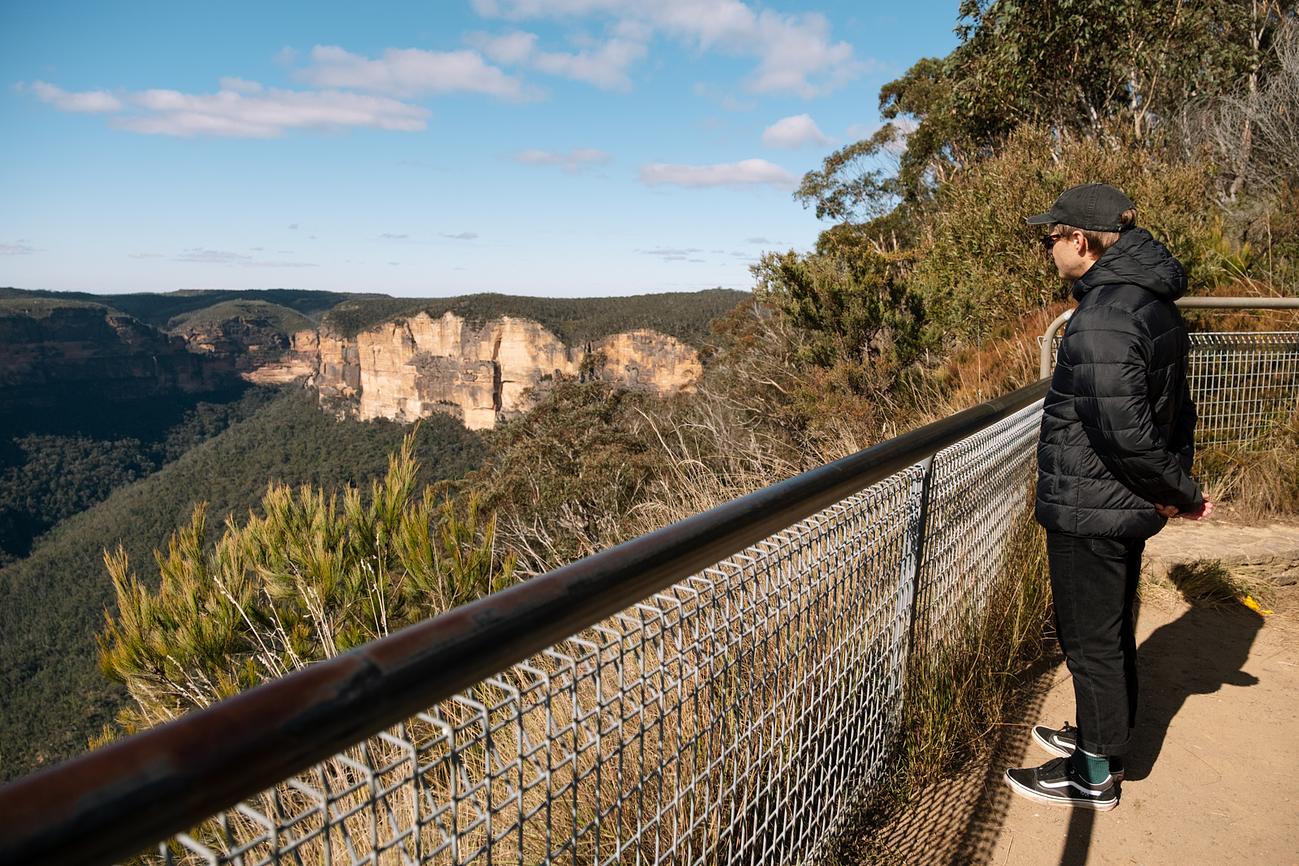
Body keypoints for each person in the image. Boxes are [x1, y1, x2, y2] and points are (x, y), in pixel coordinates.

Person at [1005, 183, 1213, 811]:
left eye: (1052, 237)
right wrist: (1171, 484)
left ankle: (1094, 773)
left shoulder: (1102, 317)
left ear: (1081, 240)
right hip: (1118, 502)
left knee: (1088, 637)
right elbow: (1176, 408)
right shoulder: (1149, 304)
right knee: (1111, 628)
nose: (1048, 249)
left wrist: (1178, 493)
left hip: (1090, 504)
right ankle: (1100, 740)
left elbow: (1123, 431)